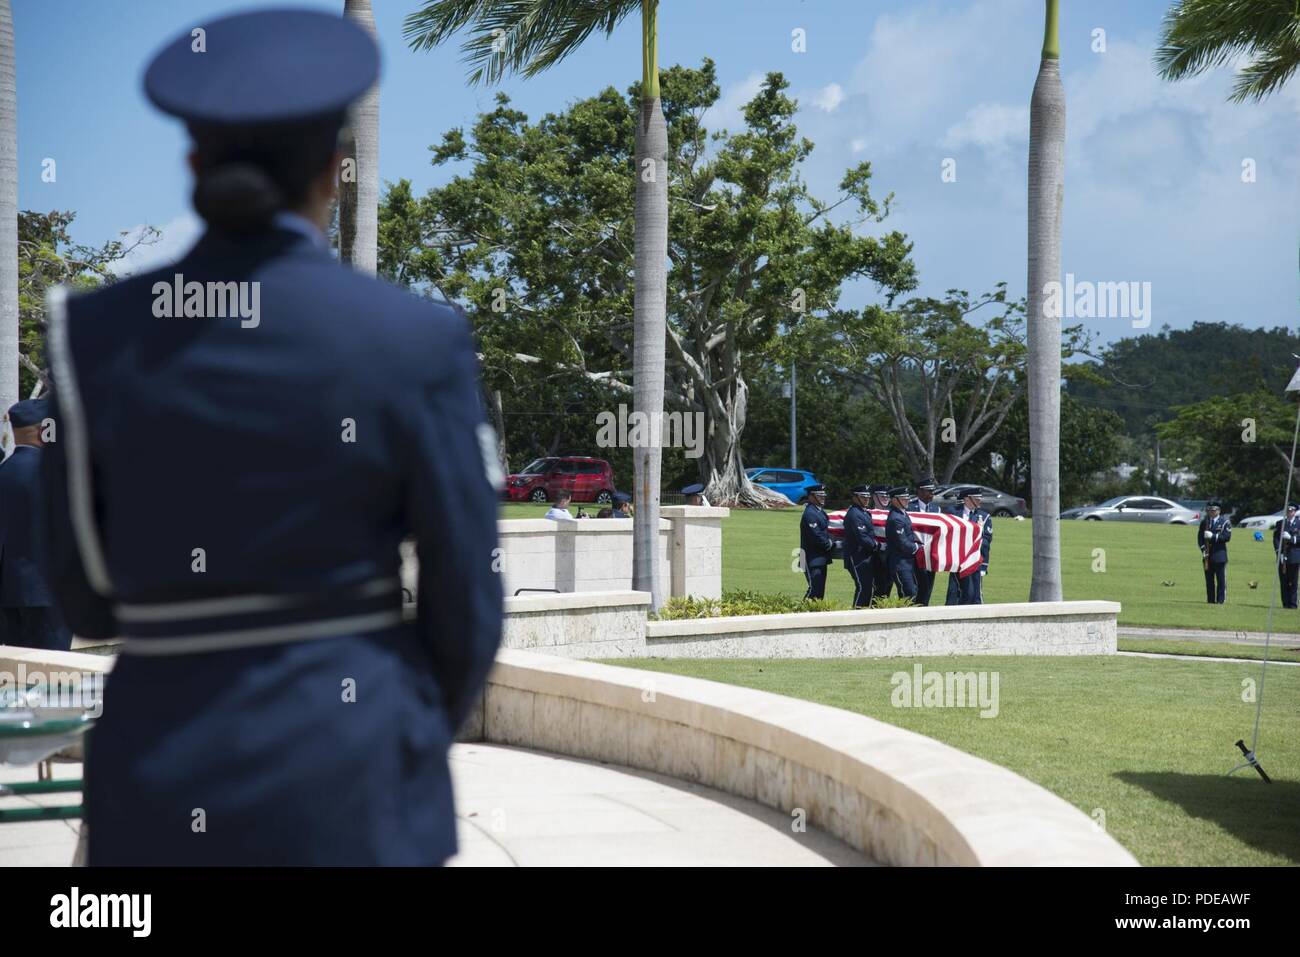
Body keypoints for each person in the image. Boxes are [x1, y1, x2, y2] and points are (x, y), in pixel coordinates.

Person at [40, 9, 502, 865]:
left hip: (158, 793)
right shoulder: (414, 338)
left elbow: (88, 594)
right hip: (358, 787)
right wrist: (397, 727)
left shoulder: (88, 337)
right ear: (335, 164)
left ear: (191, 162)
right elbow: (469, 599)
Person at [0, 400, 71, 651]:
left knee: (17, 677)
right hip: (51, 594)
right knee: (52, 678)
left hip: (9, 595)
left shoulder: (4, 472)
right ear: (45, 431)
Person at [945, 487, 991, 605]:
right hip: (957, 560)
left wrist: (984, 565)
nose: (980, 501)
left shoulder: (984, 517)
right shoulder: (953, 513)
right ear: (967, 499)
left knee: (974, 594)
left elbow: (986, 541)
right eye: (977, 499)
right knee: (953, 591)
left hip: (974, 561)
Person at [842, 485, 880, 608]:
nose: (866, 499)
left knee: (868, 586)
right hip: (856, 556)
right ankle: (857, 614)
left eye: (868, 497)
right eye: (863, 497)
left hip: (864, 556)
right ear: (855, 498)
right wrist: (876, 545)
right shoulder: (854, 514)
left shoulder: (863, 513)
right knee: (863, 586)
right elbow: (862, 537)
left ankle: (861, 613)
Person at [907, 479, 942, 606]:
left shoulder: (936, 509)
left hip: (930, 553)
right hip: (915, 553)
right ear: (920, 491)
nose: (932, 494)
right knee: (915, 587)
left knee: (928, 586)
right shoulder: (910, 508)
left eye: (933, 491)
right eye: (929, 491)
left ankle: (924, 608)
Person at [884, 486, 920, 600]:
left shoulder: (902, 514)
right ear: (894, 500)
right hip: (900, 563)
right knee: (908, 594)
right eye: (904, 498)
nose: (907, 500)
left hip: (907, 562)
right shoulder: (896, 518)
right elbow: (902, 543)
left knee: (911, 592)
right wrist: (917, 547)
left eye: (907, 498)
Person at [799, 484, 834, 600]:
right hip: (809, 557)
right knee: (814, 589)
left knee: (819, 592)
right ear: (811, 497)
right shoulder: (810, 513)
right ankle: (800, 614)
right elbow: (816, 535)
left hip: (819, 557)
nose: (822, 498)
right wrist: (830, 544)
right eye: (819, 495)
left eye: (823, 495)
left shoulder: (819, 512)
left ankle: (813, 614)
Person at [1198, 501, 1231, 604]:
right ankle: (1210, 601)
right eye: (1209, 510)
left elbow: (1226, 537)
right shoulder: (1205, 522)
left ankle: (1220, 601)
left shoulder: (1225, 522)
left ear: (1218, 511)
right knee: (1209, 581)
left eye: (1213, 510)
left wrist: (1213, 536)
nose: (1211, 512)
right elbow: (1200, 538)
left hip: (1219, 555)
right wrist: (1203, 549)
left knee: (1221, 581)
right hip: (1207, 556)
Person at [868, 484, 893, 600]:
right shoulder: (868, 514)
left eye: (887, 496)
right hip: (874, 555)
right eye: (882, 496)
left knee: (888, 586)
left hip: (891, 556)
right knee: (877, 588)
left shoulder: (893, 514)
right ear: (874, 497)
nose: (885, 498)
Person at [1272, 504, 1300, 609]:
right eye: (1288, 511)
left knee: (1293, 581)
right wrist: (1279, 552)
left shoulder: (1299, 523)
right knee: (1283, 581)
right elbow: (1276, 539)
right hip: (1282, 556)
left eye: (1291, 511)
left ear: (1295, 512)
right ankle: (1285, 603)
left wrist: (1291, 538)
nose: (1289, 513)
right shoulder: (1280, 524)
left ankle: (1293, 604)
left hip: (1294, 556)